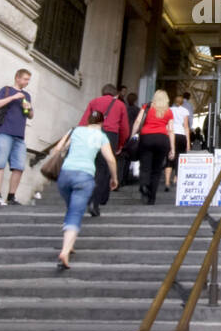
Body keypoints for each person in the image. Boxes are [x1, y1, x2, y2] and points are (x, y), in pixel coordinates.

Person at [48, 110, 118, 269]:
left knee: (71, 208)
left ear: (87, 120)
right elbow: (110, 159)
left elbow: (58, 149)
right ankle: (65, 251)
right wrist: (114, 178)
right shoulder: (101, 137)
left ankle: (69, 242)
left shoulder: (75, 130)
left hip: (65, 175)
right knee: (75, 212)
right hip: (84, 177)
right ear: (101, 123)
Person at [80, 84, 129, 218]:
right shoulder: (120, 105)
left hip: (92, 133)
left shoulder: (94, 102)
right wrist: (120, 144)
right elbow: (124, 128)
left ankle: (88, 197)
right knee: (103, 169)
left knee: (92, 167)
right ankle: (95, 202)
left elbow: (83, 122)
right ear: (115, 94)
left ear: (102, 92)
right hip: (110, 136)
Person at [0, 68, 33, 206]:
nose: (27, 82)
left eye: (28, 80)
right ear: (17, 78)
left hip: (19, 135)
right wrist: (13, 97)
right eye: (25, 79)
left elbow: (30, 115)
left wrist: (28, 108)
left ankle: (11, 196)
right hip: (4, 131)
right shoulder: (6, 90)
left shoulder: (27, 95)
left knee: (19, 166)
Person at [133, 90, 176, 205]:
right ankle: (152, 198)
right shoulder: (169, 111)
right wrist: (172, 148)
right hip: (162, 140)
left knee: (145, 166)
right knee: (156, 170)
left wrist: (132, 135)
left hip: (146, 138)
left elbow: (138, 121)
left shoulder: (146, 107)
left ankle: (143, 185)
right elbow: (171, 130)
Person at [165, 91, 193, 192]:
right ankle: (175, 179)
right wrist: (188, 142)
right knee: (179, 158)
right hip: (181, 135)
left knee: (170, 158)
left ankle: (167, 182)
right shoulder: (185, 111)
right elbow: (186, 127)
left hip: (170, 135)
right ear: (182, 102)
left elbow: (167, 124)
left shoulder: (169, 110)